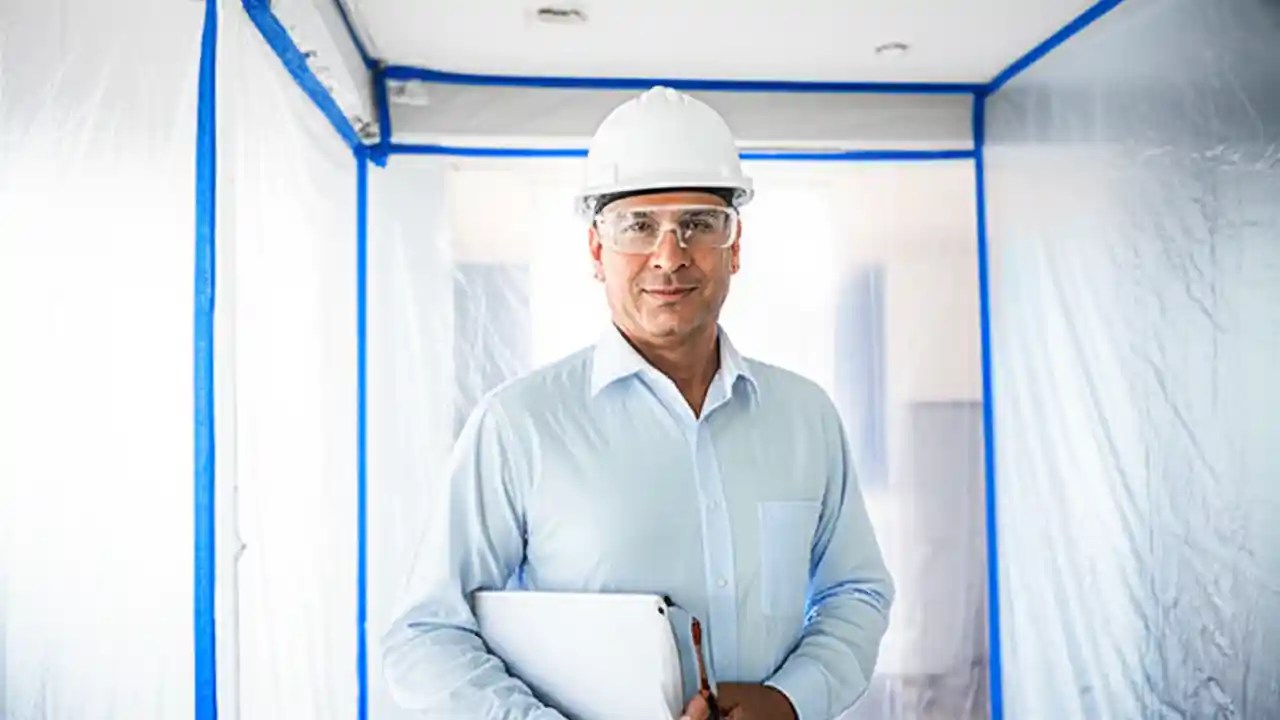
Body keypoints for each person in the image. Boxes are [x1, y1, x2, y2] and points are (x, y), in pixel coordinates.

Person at [381, 86, 894, 720]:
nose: (669, 256)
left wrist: (791, 700)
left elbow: (855, 592)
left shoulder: (805, 418)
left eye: (698, 224)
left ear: (735, 246)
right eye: (638, 226)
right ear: (597, 251)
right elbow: (426, 635)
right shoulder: (517, 427)